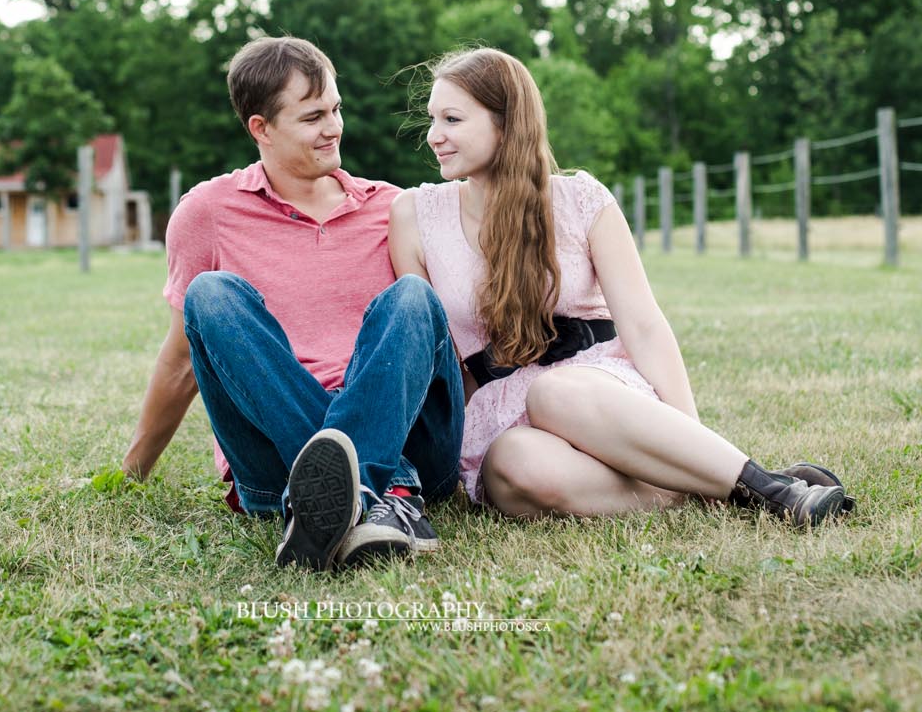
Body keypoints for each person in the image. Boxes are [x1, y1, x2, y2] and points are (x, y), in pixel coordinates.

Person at [388, 47, 850, 526]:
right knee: (515, 466)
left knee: (553, 393)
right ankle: (713, 488)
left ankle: (770, 489)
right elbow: (434, 355)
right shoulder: (415, 216)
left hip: (595, 386)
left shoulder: (582, 199)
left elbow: (643, 326)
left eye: (452, 119)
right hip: (497, 406)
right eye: (432, 119)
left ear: (505, 123)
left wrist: (689, 428)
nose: (434, 137)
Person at [122, 36, 464, 571]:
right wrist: (132, 473)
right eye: (312, 117)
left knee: (414, 298)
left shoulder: (394, 208)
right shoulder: (207, 212)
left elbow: (434, 342)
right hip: (271, 457)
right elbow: (182, 357)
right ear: (261, 128)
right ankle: (382, 497)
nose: (333, 128)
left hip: (410, 439)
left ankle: (340, 497)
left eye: (335, 110)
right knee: (211, 295)